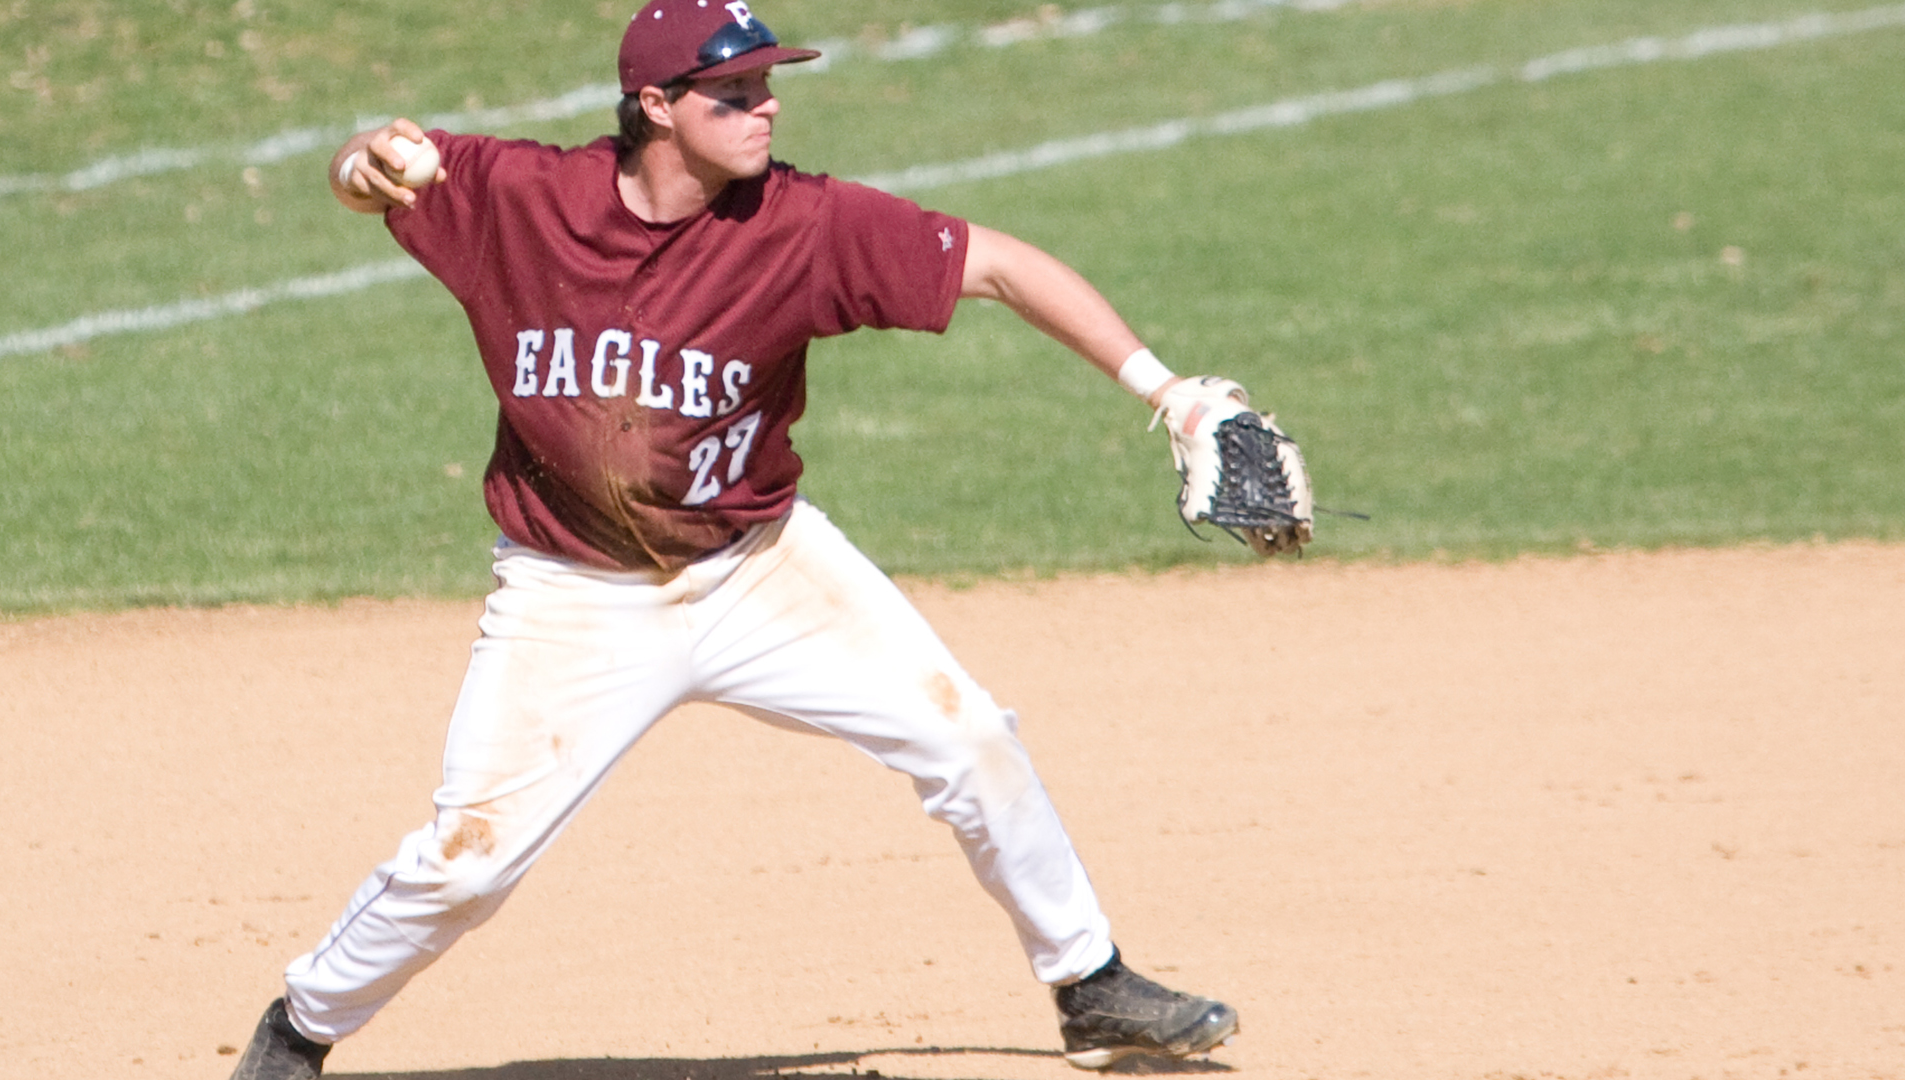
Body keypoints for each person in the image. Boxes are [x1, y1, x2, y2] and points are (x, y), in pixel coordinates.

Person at [230, 2, 1239, 1076]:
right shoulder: (524, 199)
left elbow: (999, 267)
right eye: (735, 92)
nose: (767, 108)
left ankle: (1090, 983)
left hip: (760, 568)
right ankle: (300, 1028)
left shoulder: (802, 224)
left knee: (970, 737)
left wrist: (1169, 394)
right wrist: (362, 165)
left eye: (767, 85)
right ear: (656, 106)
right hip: (571, 598)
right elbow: (372, 163)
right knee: (466, 865)